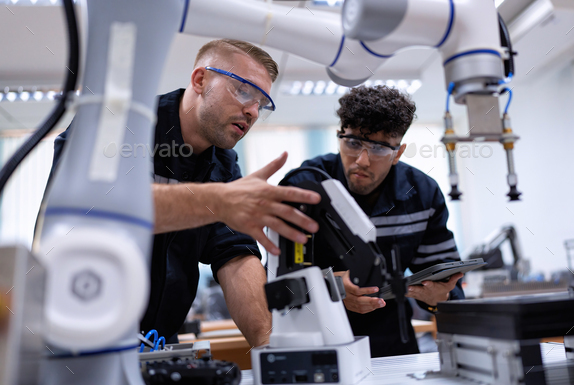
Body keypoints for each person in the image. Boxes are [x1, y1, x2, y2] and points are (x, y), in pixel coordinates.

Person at [47, 39, 320, 347]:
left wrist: (270, 347)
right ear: (200, 80)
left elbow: (235, 257)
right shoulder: (117, 125)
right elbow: (90, 207)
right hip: (75, 340)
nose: (253, 111)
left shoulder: (224, 166)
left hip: (156, 344)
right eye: (244, 91)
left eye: (262, 103)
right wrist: (218, 200)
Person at [283, 85, 464, 357]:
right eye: (353, 142)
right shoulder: (304, 187)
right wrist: (329, 286)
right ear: (338, 137)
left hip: (394, 348)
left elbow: (448, 283)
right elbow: (278, 282)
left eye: (379, 148)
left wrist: (440, 299)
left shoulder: (422, 194)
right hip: (318, 348)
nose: (362, 161)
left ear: (398, 153)